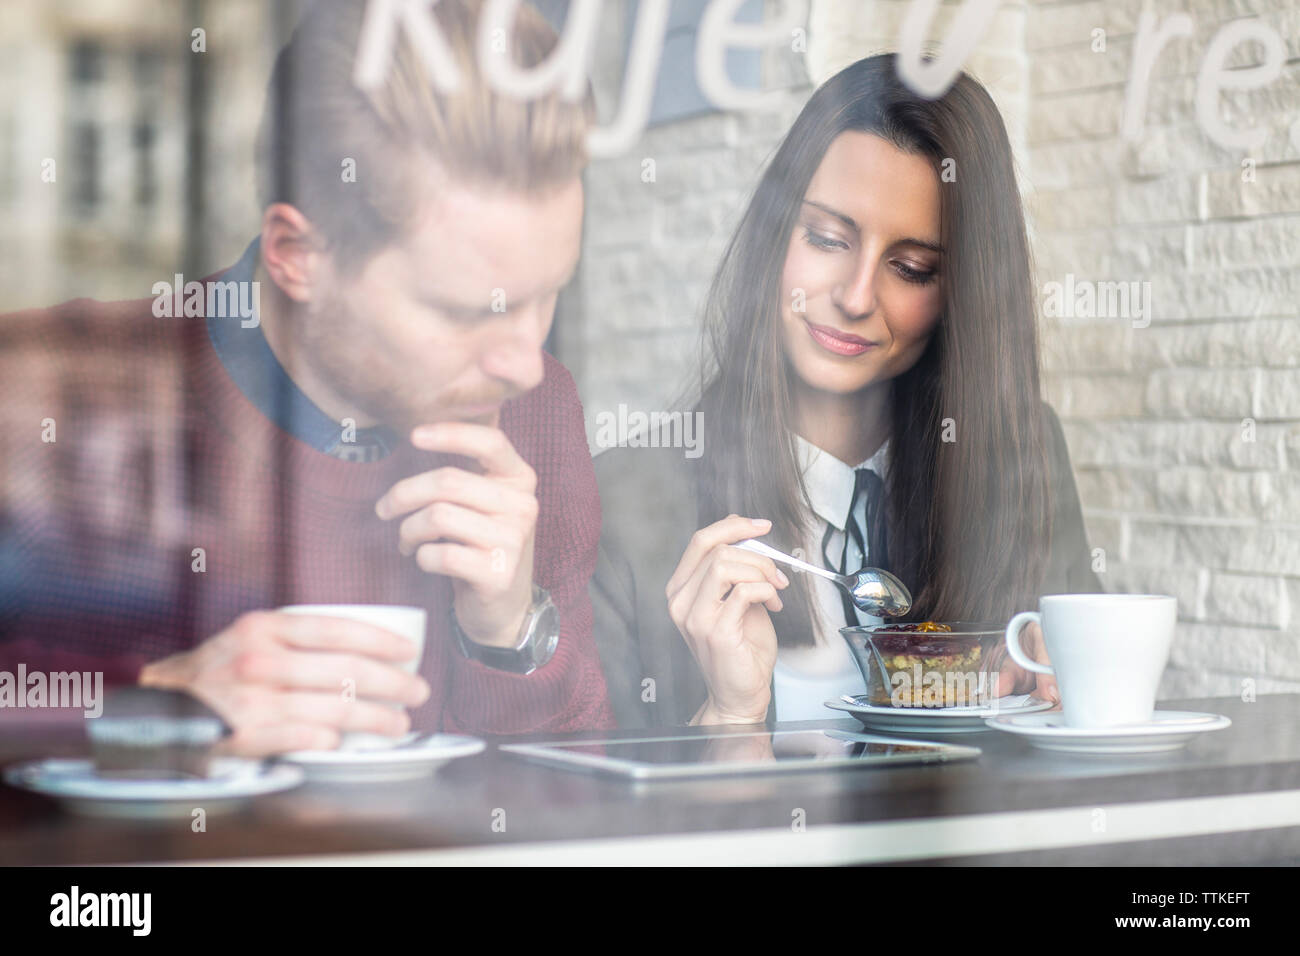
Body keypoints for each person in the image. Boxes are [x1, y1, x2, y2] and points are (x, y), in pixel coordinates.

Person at [0, 0, 613, 753]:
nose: (524, 362)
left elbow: (572, 820)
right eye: (467, 312)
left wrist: (511, 637)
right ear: (295, 256)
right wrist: (155, 713)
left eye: (547, 295)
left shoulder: (540, 415)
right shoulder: (42, 397)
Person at [591, 54, 1103, 730]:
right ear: (777, 238)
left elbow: (1090, 761)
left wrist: (1072, 687)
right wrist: (724, 720)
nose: (856, 297)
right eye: (828, 238)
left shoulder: (1022, 451)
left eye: (911, 268)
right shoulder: (626, 499)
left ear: (960, 296)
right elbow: (596, 818)